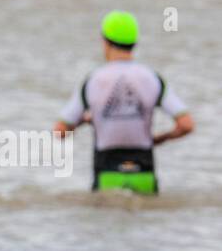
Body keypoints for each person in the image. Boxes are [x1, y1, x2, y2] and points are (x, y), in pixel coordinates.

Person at [53, 11, 194, 194]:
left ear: (105, 42)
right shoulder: (151, 78)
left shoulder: (94, 80)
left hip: (106, 173)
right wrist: (160, 139)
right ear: (134, 43)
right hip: (144, 172)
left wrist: (86, 120)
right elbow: (186, 125)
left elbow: (60, 131)